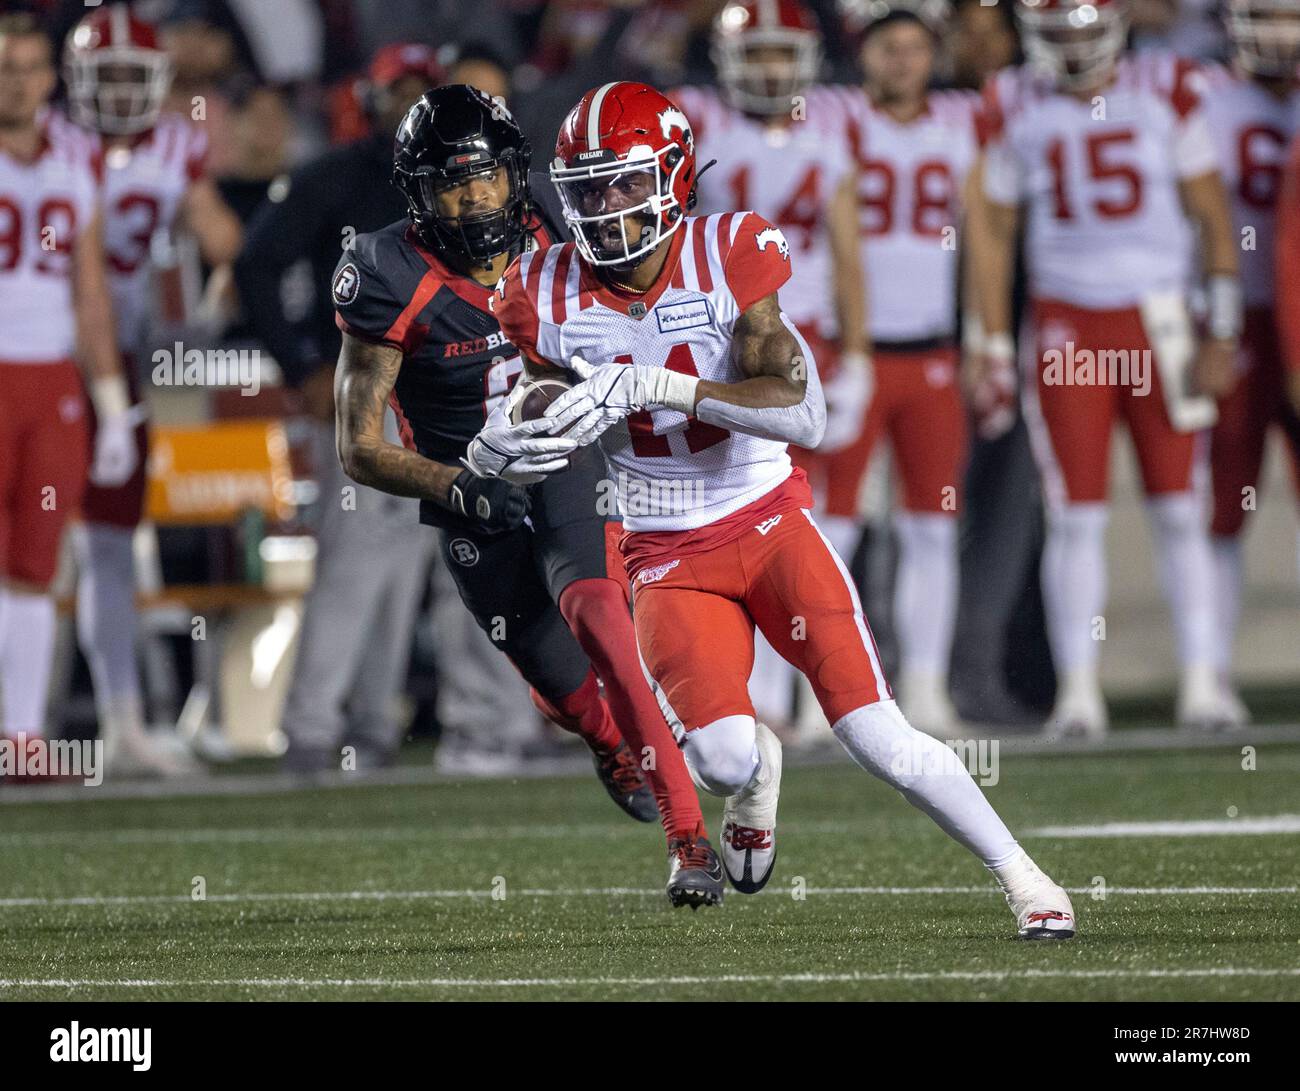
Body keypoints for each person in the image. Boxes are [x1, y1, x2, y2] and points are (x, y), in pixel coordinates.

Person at [480, 80, 1075, 937]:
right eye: (589, 190)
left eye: (625, 183)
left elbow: (805, 413)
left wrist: (666, 384)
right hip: (664, 548)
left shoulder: (731, 249)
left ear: (676, 176)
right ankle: (759, 778)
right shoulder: (538, 287)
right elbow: (534, 397)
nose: (608, 210)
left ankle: (1028, 879)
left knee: (878, 733)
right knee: (721, 759)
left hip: (766, 519)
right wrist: (509, 433)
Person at [333, 85, 717, 908]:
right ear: (417, 193)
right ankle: (610, 738)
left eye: (488, 180)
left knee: (605, 620)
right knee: (564, 688)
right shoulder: (387, 272)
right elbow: (358, 448)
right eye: (451, 185)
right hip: (469, 488)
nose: (476, 201)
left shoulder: (557, 216)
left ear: (516, 175)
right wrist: (461, 488)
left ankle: (689, 841)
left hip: (567, 456)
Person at [969, 0, 1241, 736]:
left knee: (1181, 507)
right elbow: (991, 229)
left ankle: (1203, 682)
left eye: (1086, 32)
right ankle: (1081, 693)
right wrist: (990, 340)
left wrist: (1221, 321)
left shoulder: (1168, 84)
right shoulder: (1014, 98)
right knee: (1075, 513)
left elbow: (1212, 212)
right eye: (1059, 35)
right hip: (1068, 324)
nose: (1075, 49)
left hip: (1161, 319)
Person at [234, 43, 443, 772]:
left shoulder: (454, 180)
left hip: (437, 392)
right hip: (368, 391)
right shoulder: (337, 176)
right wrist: (302, 361)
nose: (412, 105)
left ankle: (371, 723)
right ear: (374, 99)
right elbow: (256, 261)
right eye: (401, 90)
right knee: (355, 561)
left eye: (424, 90)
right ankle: (312, 724)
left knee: (407, 565)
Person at [673, 0, 869, 735]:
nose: (768, 68)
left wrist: (861, 352)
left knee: (815, 522)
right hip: (725, 339)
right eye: (753, 54)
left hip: (806, 334)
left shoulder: (832, 123)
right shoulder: (696, 121)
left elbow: (850, 251)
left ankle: (816, 692)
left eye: (779, 53)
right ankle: (753, 701)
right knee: (737, 516)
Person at [63, 5, 243, 774]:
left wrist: (208, 309)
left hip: (126, 361)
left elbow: (229, 244)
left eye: (137, 77)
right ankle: (35, 725)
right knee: (36, 553)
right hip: (44, 352)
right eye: (111, 79)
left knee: (105, 545)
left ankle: (119, 720)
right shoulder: (51, 144)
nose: (124, 94)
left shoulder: (175, 144)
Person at [818, 1, 977, 736]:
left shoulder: (964, 119)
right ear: (863, 53)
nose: (903, 61)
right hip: (855, 353)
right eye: (889, 47)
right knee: (831, 527)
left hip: (933, 350)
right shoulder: (835, 116)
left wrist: (990, 340)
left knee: (933, 527)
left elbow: (987, 235)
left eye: (916, 47)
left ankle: (925, 685)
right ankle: (819, 695)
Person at [0, 14, 136, 764]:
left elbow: (91, 290)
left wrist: (112, 407)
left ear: (51, 77)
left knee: (34, 560)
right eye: (3, 67)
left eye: (27, 66)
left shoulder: (77, 155)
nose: (15, 81)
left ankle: (20, 738)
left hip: (51, 375)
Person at [1202, 0, 1300, 721]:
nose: (1280, 33)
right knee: (1223, 501)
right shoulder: (1202, 99)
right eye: (1265, 14)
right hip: (1235, 321)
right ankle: (1209, 670)